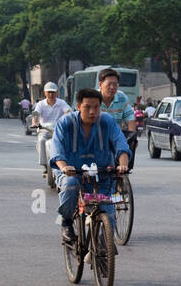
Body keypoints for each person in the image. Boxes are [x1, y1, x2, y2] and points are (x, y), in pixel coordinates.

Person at [49, 88, 132, 245]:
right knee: (71, 185)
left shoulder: (107, 121)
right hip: (71, 173)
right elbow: (56, 149)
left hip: (102, 175)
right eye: (88, 107)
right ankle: (66, 223)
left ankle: (104, 246)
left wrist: (123, 165)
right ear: (78, 106)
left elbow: (120, 143)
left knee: (108, 213)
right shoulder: (65, 123)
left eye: (96, 107)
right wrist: (64, 167)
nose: (93, 111)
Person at [32, 82, 70, 177]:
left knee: (66, 142)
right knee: (41, 141)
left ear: (57, 93)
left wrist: (67, 117)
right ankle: (45, 165)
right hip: (44, 129)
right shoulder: (40, 104)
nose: (51, 94)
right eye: (49, 92)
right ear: (45, 93)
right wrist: (34, 122)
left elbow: (68, 112)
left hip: (58, 129)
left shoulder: (62, 103)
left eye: (53, 92)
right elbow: (35, 115)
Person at [97, 68, 136, 134]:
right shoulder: (92, 98)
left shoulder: (122, 98)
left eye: (115, 84)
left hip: (115, 138)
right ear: (100, 85)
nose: (112, 87)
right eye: (109, 84)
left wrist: (132, 136)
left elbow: (130, 119)